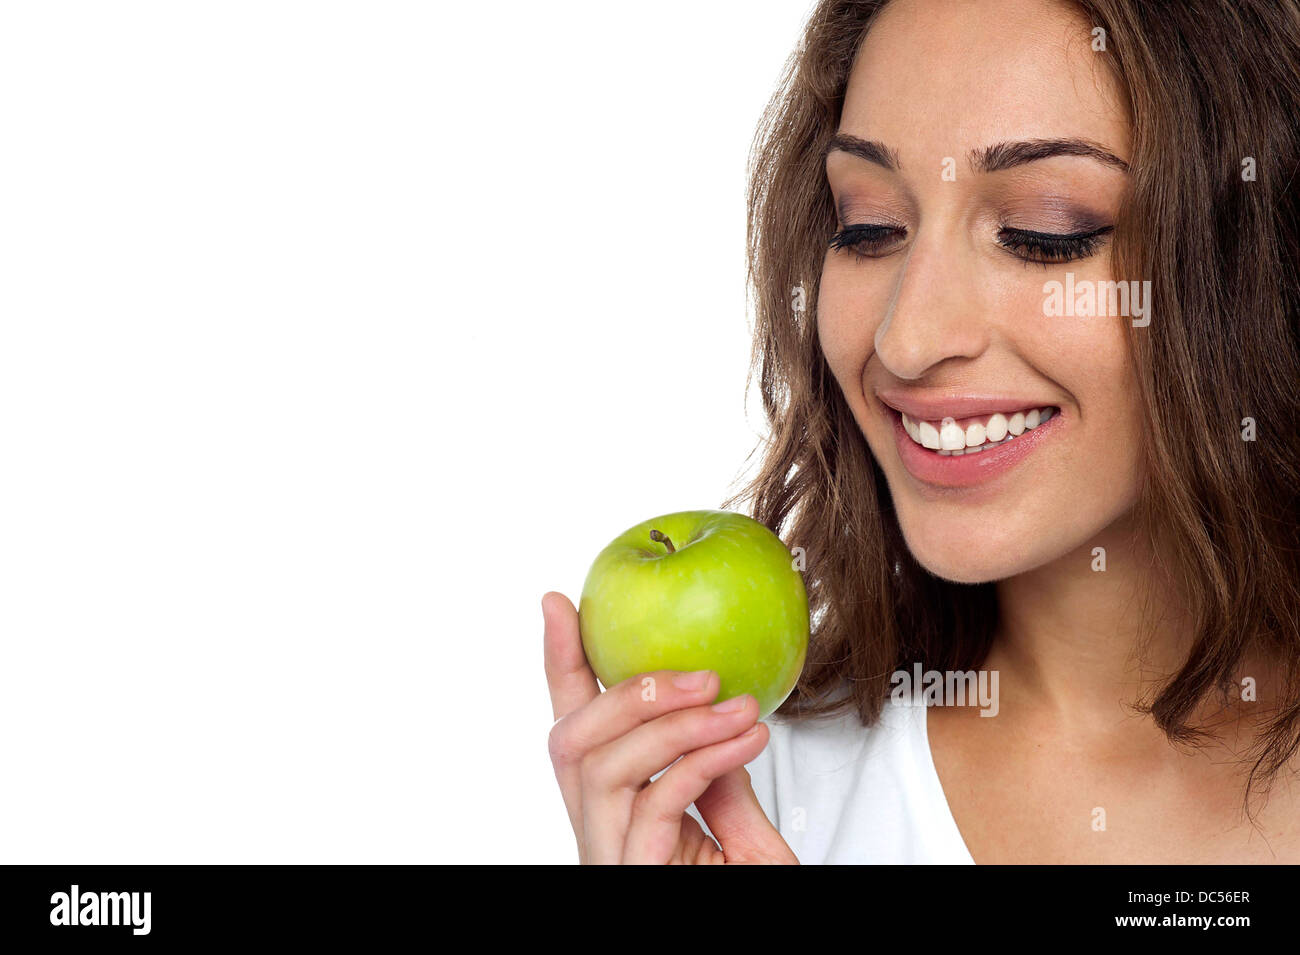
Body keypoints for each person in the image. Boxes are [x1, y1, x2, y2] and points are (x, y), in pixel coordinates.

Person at [543, 0, 1300, 864]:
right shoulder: (743, 798)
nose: (906, 339)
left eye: (1044, 233)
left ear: (1258, 263)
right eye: (870, 227)